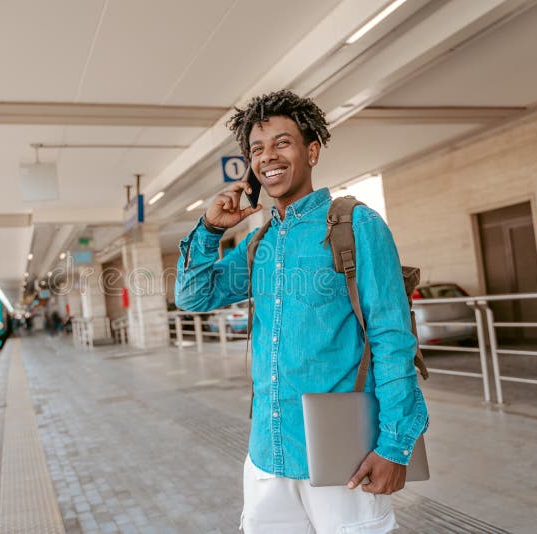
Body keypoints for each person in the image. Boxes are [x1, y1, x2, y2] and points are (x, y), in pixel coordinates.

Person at [175, 90, 428, 533]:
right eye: (256, 149)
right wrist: (211, 229)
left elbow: (392, 337)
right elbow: (193, 296)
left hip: (342, 459)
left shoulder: (356, 226)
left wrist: (395, 447)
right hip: (267, 457)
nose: (267, 156)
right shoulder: (259, 244)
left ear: (312, 151)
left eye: (282, 143)